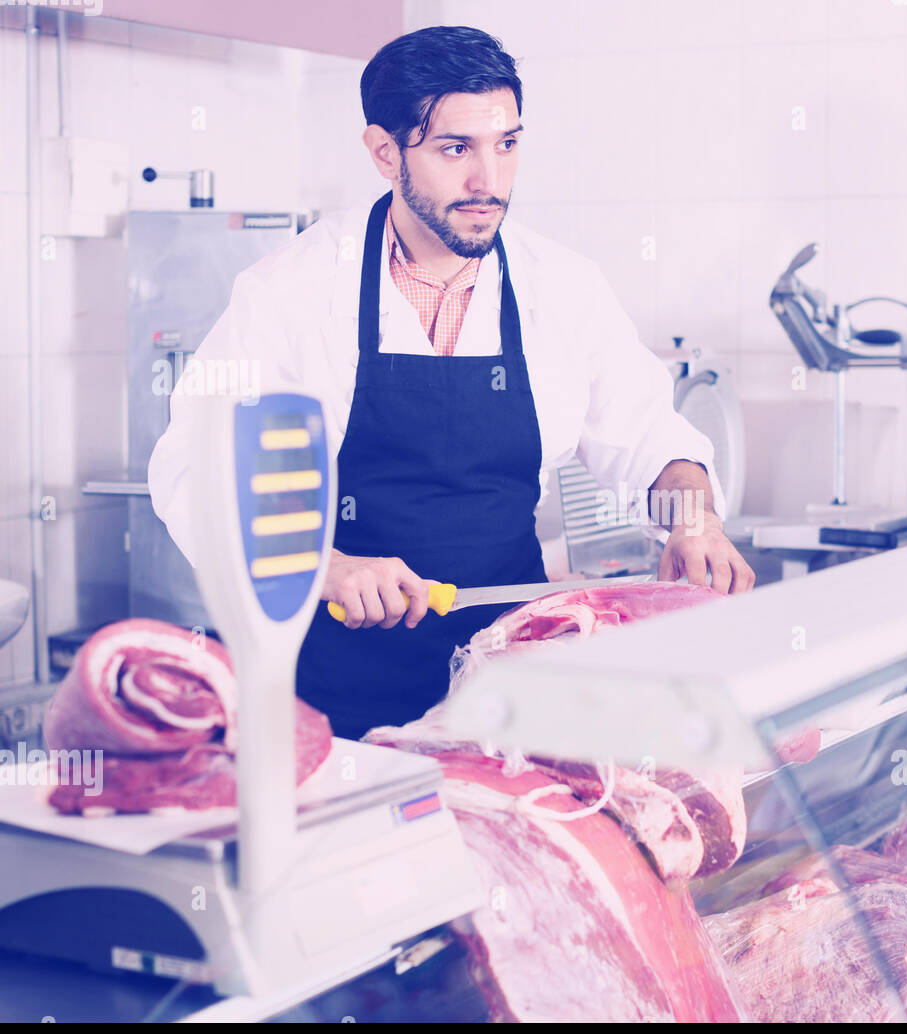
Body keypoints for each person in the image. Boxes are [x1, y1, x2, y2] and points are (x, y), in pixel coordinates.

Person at [148, 26, 754, 739]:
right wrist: (326, 565)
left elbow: (649, 439)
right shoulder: (290, 292)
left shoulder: (562, 287)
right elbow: (196, 469)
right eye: (455, 149)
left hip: (515, 683)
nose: (488, 182)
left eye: (506, 145)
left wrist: (693, 520)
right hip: (339, 694)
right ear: (383, 152)